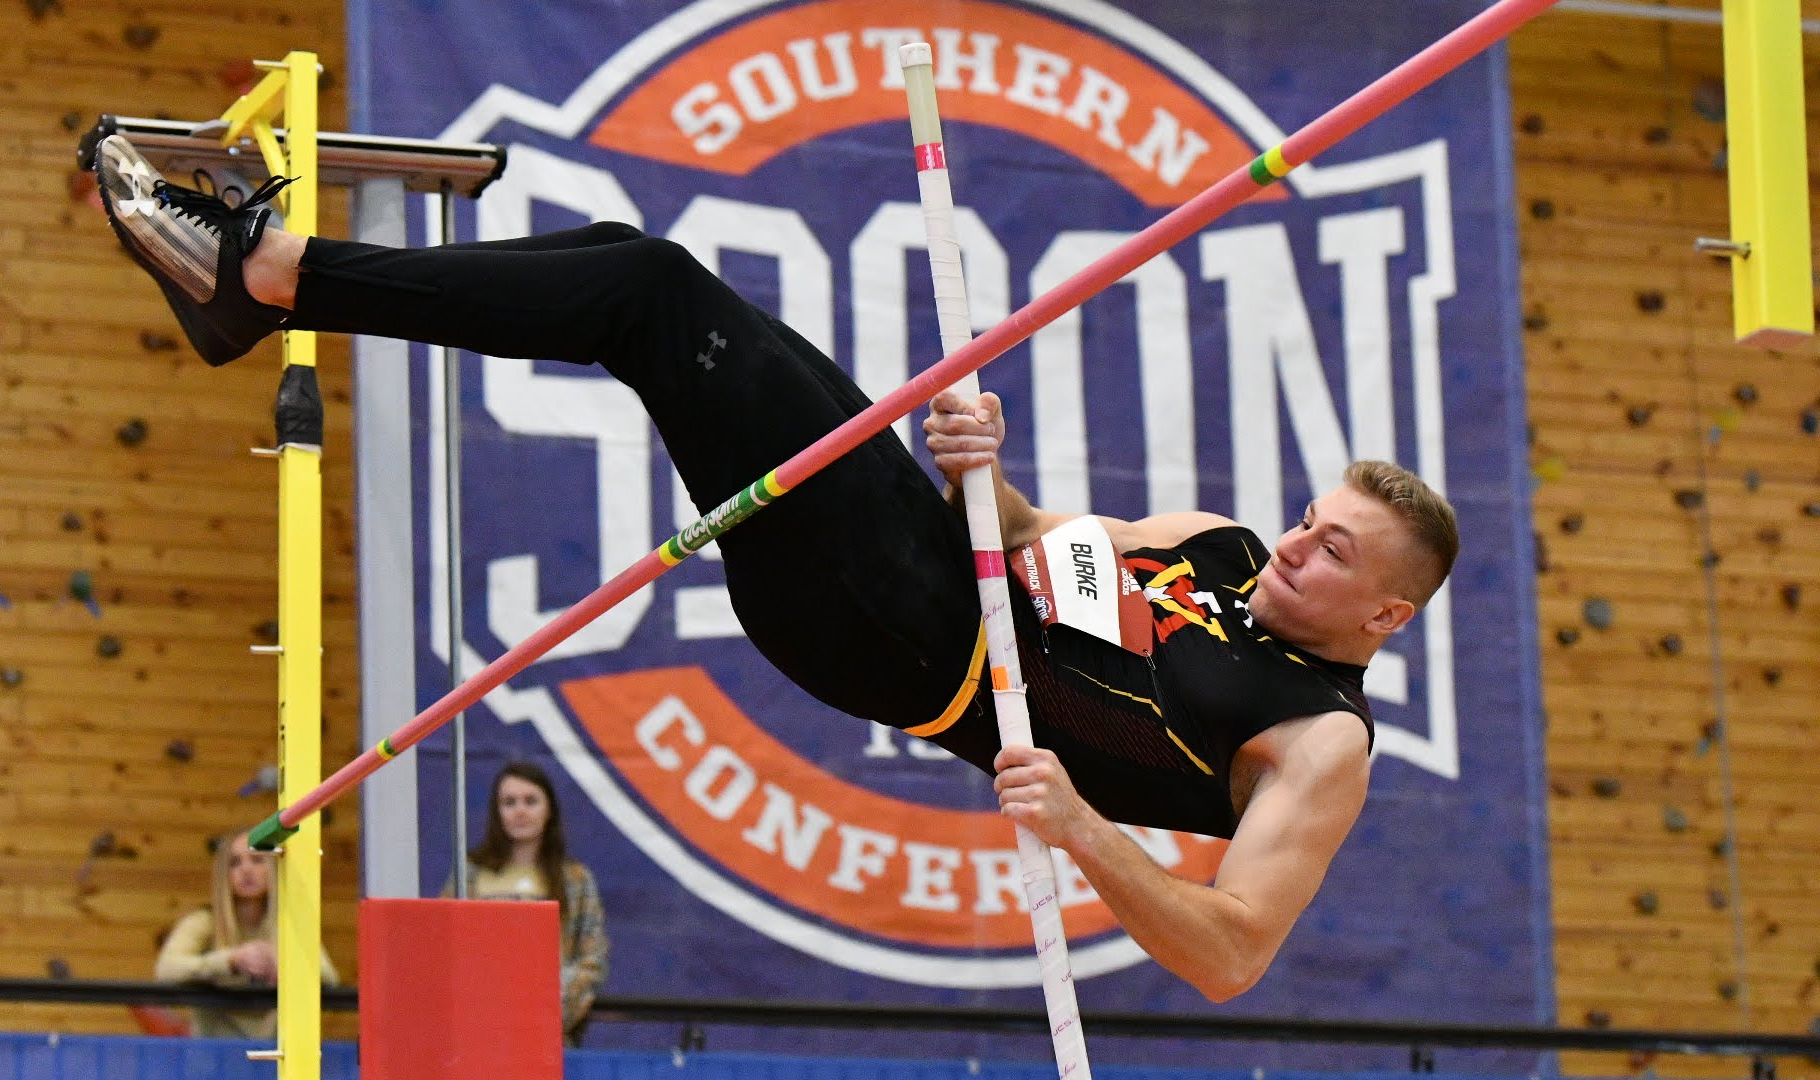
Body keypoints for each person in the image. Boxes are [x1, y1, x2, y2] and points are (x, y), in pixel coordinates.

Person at [95, 135, 1459, 1004]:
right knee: (649, 284)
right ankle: (269, 286)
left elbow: (1232, 954)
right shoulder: (1218, 547)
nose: (1292, 543)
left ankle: (273, 277)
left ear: (1387, 612)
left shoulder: (1322, 742)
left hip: (911, 649)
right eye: (1306, 517)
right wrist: (982, 464)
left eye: (1331, 550)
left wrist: (1087, 832)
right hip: (929, 562)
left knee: (654, 303)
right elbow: (1037, 547)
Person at [445, 762, 609, 1044]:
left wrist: (547, 1010)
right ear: (497, 812)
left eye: (530, 801)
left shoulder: (576, 880)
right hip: (476, 1033)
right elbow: (443, 947)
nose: (520, 811)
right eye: (509, 802)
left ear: (549, 810)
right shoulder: (467, 875)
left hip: (548, 1036)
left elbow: (592, 958)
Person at [155, 829, 341, 1038]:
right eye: (235, 863)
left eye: (256, 860)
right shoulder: (204, 921)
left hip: (275, 1058)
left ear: (272, 868)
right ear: (224, 875)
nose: (246, 870)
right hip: (214, 1059)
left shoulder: (290, 925)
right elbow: (166, 968)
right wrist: (232, 961)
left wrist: (283, 966)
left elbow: (328, 977)